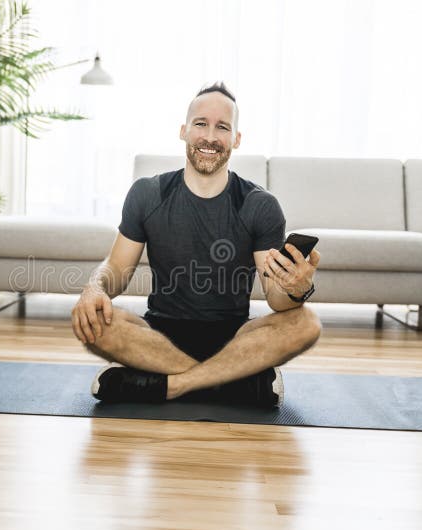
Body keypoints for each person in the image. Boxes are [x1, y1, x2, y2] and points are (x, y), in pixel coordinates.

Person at [71, 82, 322, 407]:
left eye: (222, 127)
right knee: (94, 320)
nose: (210, 136)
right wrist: (95, 288)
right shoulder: (147, 194)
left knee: (306, 322)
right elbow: (117, 269)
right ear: (184, 131)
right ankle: (231, 383)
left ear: (236, 139)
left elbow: (277, 299)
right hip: (158, 336)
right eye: (201, 124)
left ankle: (167, 384)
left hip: (234, 338)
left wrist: (297, 289)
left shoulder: (260, 205)